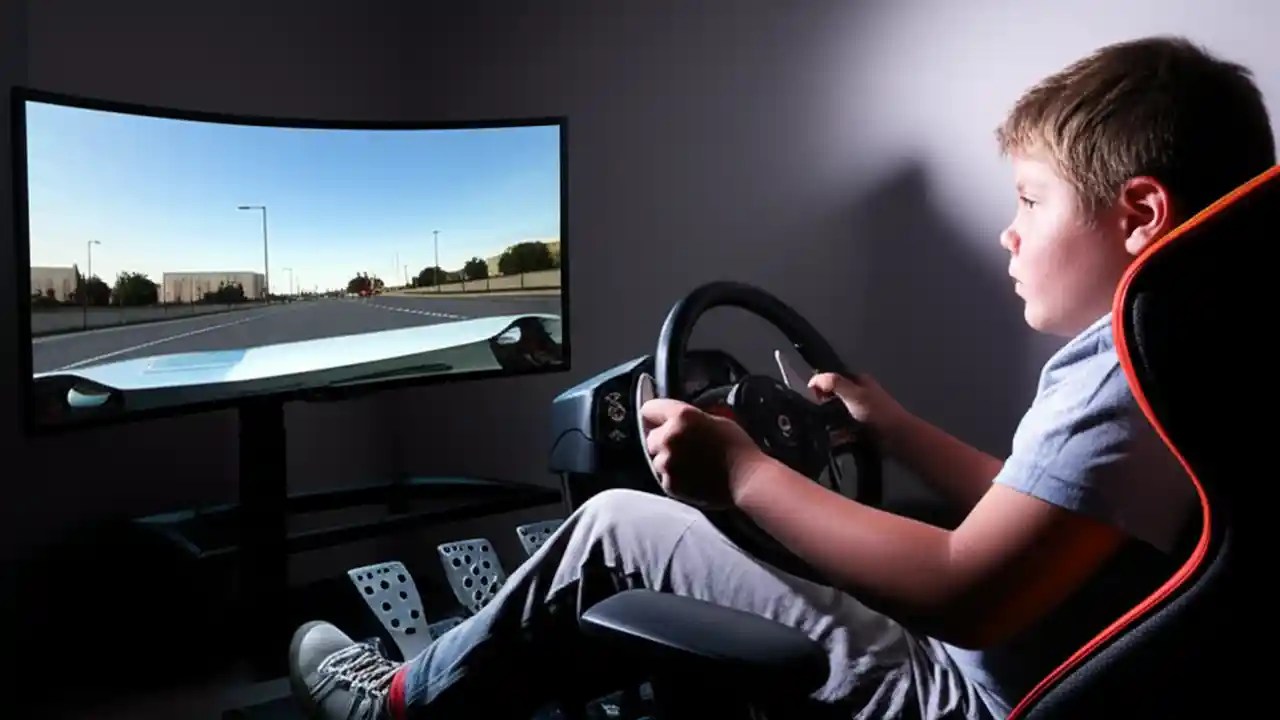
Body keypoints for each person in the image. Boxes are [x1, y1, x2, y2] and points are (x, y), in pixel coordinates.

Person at [287, 35, 1275, 720]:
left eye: (1028, 199)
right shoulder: (1194, 360)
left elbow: (962, 589)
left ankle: (396, 703)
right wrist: (890, 426)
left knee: (615, 527)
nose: (1007, 231)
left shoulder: (1112, 376)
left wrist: (745, 473)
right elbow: (1040, 521)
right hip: (1033, 676)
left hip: (960, 695)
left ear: (1138, 215)